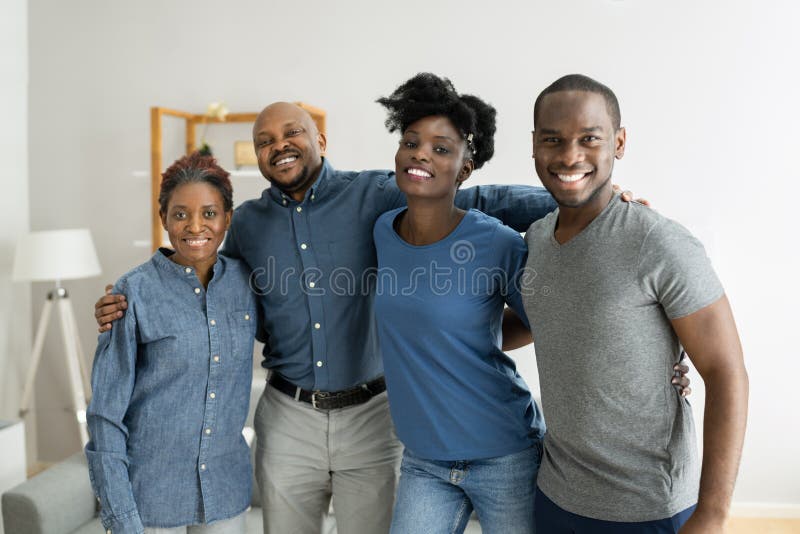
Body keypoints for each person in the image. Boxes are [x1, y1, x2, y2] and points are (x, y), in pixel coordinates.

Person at [94, 98, 670, 533]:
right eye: (265, 140)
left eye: (292, 131)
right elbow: (201, 271)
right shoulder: (244, 225)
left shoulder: (376, 195)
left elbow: (482, 200)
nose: (280, 144)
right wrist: (127, 296)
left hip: (372, 415)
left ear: (319, 137)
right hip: (287, 417)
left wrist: (589, 204)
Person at [515, 74, 748, 533]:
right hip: (555, 494)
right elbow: (534, 319)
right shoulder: (537, 239)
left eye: (589, 139)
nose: (569, 156)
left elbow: (727, 372)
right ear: (535, 146)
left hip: (649, 506)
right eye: (553, 140)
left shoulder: (659, 242)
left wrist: (713, 515)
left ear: (618, 143)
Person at [373, 73, 543, 534]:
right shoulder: (382, 231)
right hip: (424, 459)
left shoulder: (497, 242)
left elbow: (542, 322)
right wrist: (465, 333)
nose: (421, 153)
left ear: (464, 169)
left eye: (441, 148)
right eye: (411, 142)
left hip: (503, 453)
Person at [86, 152, 257, 534]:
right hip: (151, 501)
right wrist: (120, 516)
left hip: (226, 493)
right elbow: (105, 415)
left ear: (228, 217)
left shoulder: (247, 283)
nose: (195, 226)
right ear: (163, 218)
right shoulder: (133, 292)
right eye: (180, 214)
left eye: (209, 213)